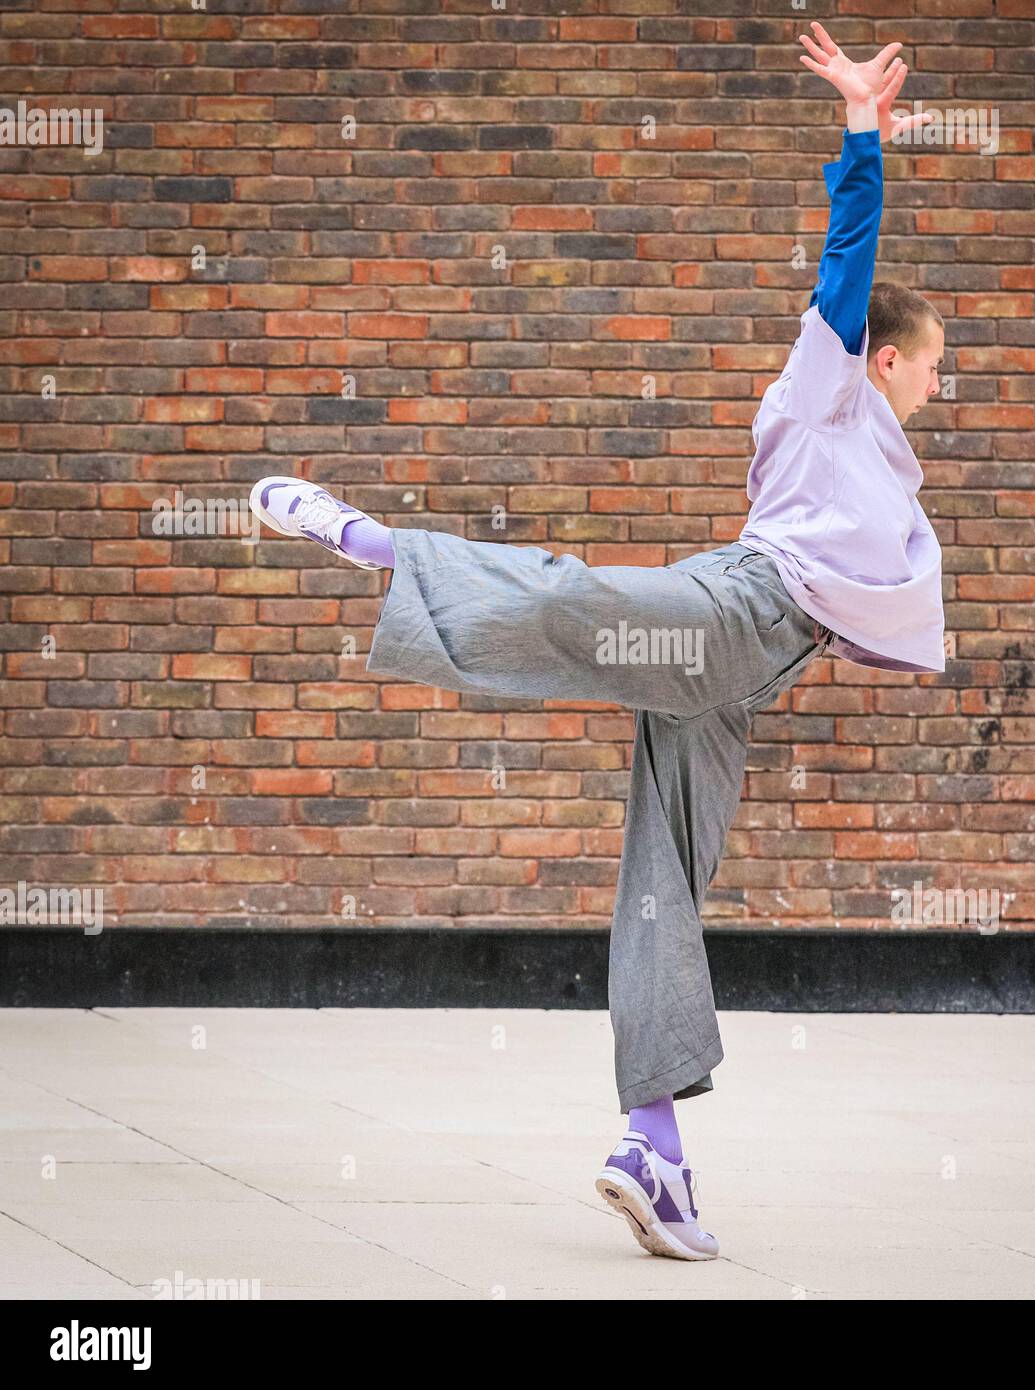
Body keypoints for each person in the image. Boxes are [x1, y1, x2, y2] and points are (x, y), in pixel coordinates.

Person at [248, 21, 946, 1263]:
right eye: (936, 368)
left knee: (664, 884)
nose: (942, 386)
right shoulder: (824, 381)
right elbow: (848, 258)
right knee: (574, 596)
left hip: (743, 672)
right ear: (884, 360)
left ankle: (652, 1149)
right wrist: (859, 132)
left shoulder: (874, 452)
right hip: (733, 609)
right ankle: (386, 547)